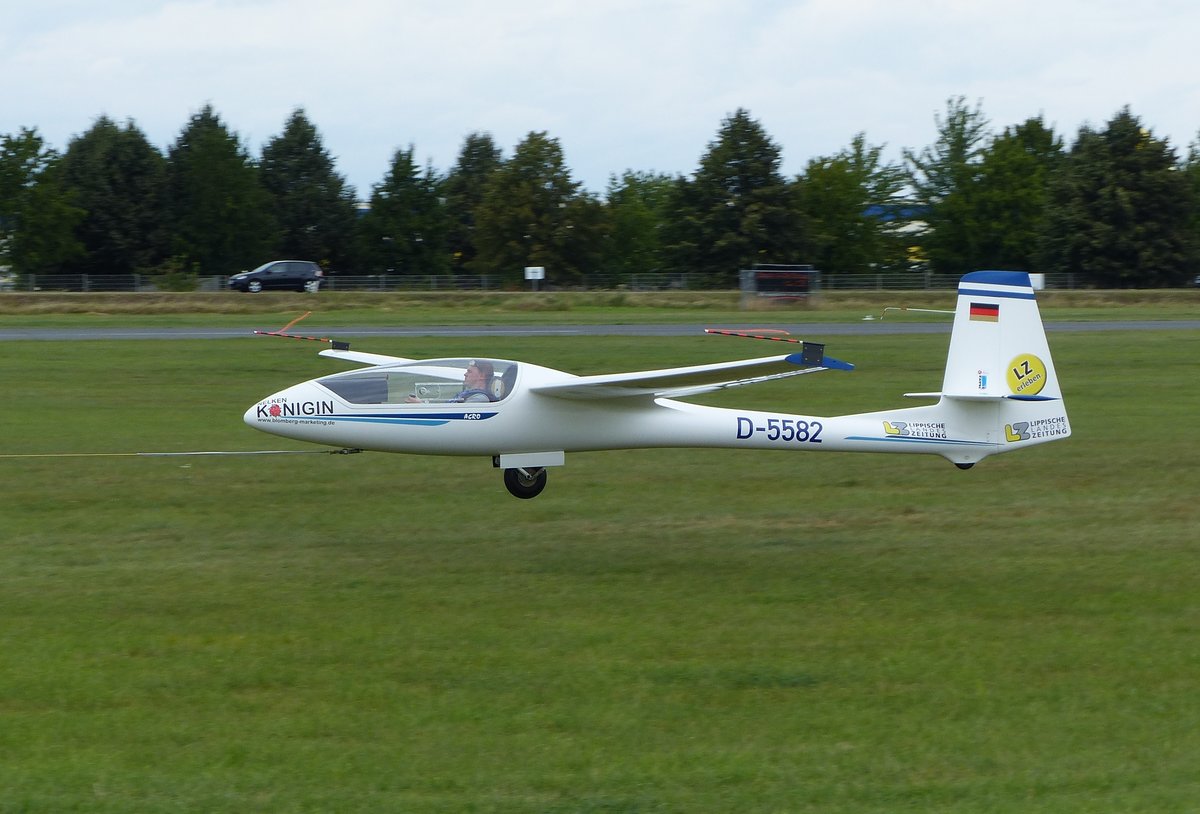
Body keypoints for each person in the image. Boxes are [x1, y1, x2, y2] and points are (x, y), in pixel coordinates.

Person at [406, 360, 494, 403]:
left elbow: (454, 419)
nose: (465, 374)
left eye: (469, 372)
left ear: (482, 376)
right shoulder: (467, 394)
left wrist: (422, 406)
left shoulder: (480, 398)